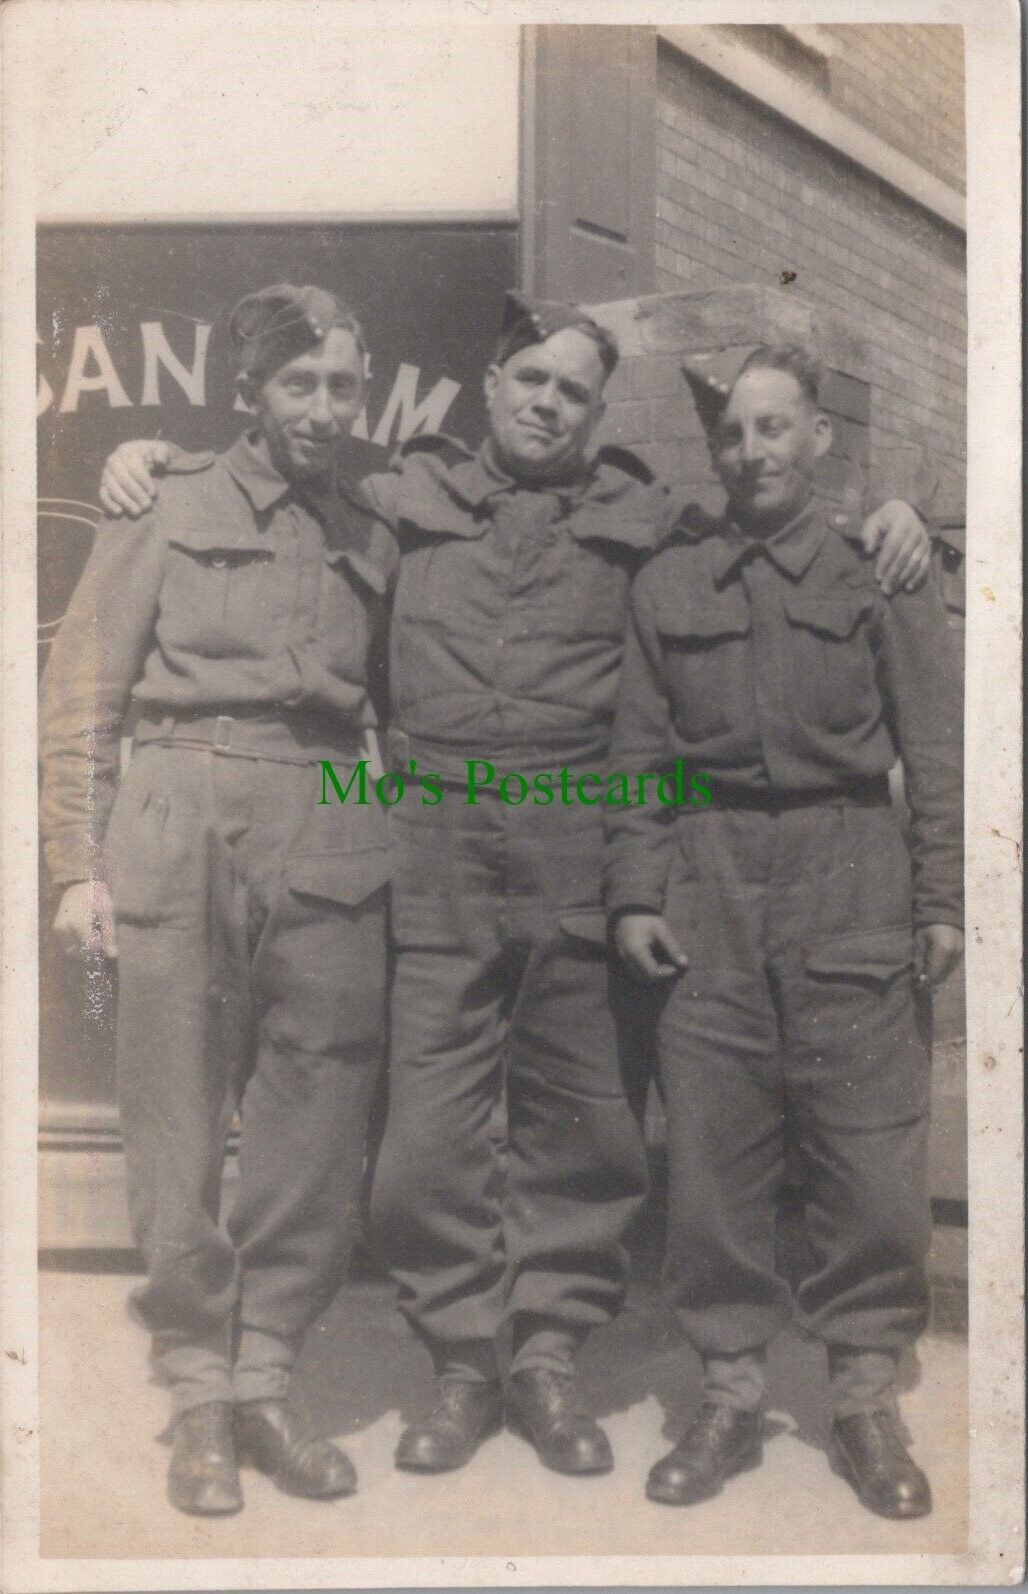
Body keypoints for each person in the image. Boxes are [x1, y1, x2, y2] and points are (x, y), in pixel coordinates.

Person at [97, 292, 932, 1484]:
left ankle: (545, 1359)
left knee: (581, 1121)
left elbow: (765, 515)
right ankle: (458, 1365)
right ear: (489, 389)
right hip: (431, 841)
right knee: (426, 1134)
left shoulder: (645, 518)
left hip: (574, 841)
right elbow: (283, 483)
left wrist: (889, 516)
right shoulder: (401, 498)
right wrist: (149, 455)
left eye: (572, 392)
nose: (547, 403)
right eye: (528, 382)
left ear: (596, 413)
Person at [40, 285, 395, 1515]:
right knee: (176, 1113)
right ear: (251, 393)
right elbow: (85, 685)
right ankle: (196, 1388)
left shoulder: (377, 520)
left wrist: (372, 820)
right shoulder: (166, 497)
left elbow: (386, 709)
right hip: (181, 797)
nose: (320, 408)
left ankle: (267, 1377)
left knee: (313, 1113)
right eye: (296, 385)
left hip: (329, 801)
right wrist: (76, 863)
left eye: (341, 386)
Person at [607, 344, 962, 1517]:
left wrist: (939, 898)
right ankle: (724, 1390)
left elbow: (936, 749)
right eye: (730, 435)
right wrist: (637, 894)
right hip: (709, 878)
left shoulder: (879, 571)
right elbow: (638, 762)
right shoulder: (668, 583)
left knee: (866, 1154)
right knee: (715, 1152)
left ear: (818, 439)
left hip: (847, 868)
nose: (749, 452)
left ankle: (862, 1394)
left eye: (772, 428)